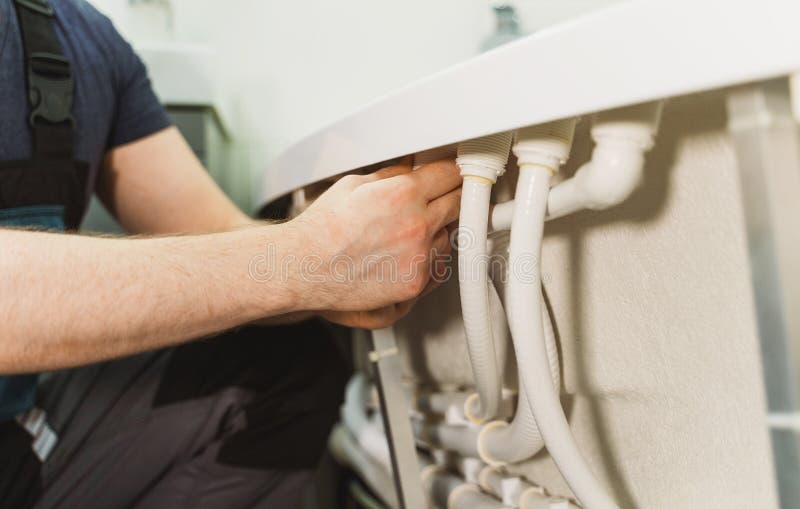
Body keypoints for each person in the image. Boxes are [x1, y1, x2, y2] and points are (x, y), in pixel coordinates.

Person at [0, 0, 461, 507]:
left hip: (19, 430)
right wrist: (308, 257)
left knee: (286, 365)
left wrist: (342, 265)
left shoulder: (87, 41)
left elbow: (220, 234)